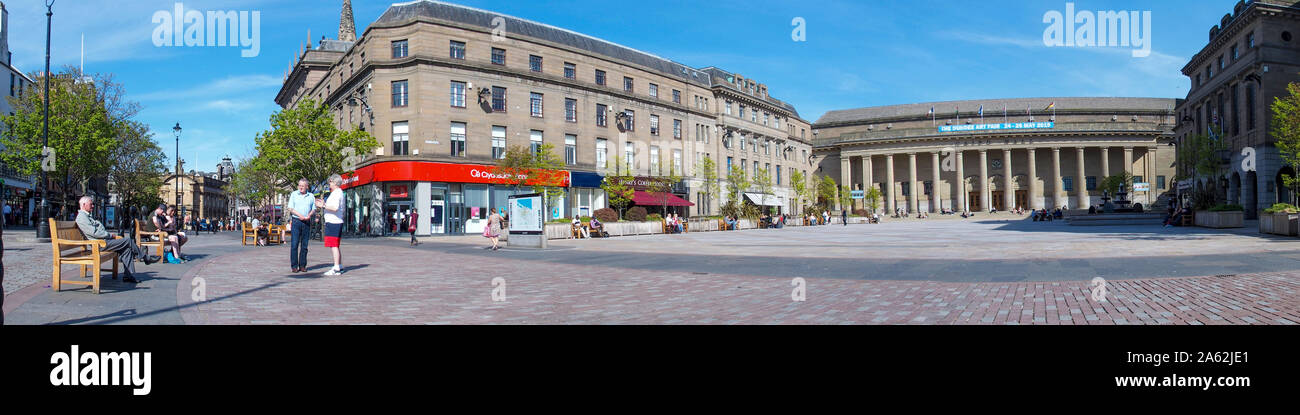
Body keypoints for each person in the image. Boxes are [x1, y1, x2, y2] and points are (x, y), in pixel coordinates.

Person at [74, 196, 157, 283]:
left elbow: (99, 229)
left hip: (103, 242)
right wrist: (110, 235)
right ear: (83, 204)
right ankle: (145, 258)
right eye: (91, 204)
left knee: (127, 249)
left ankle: (129, 276)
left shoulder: (87, 216)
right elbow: (95, 233)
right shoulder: (82, 217)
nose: (93, 206)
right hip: (99, 244)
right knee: (128, 241)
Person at [317, 174, 347, 276]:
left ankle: (336, 267)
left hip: (334, 222)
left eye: (330, 182)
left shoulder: (337, 193)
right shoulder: (337, 193)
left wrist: (323, 205)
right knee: (335, 245)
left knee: (334, 245)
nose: (329, 184)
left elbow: (335, 208)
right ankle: (339, 265)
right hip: (335, 221)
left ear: (334, 182)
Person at [287, 178, 316, 273]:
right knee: (294, 244)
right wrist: (300, 216)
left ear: (307, 186)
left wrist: (309, 215)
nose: (300, 187)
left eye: (303, 186)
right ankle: (294, 266)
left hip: (306, 222)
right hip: (296, 221)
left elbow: (313, 209)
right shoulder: (294, 194)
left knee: (304, 245)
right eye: (299, 185)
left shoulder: (311, 196)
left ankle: (302, 265)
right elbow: (290, 208)